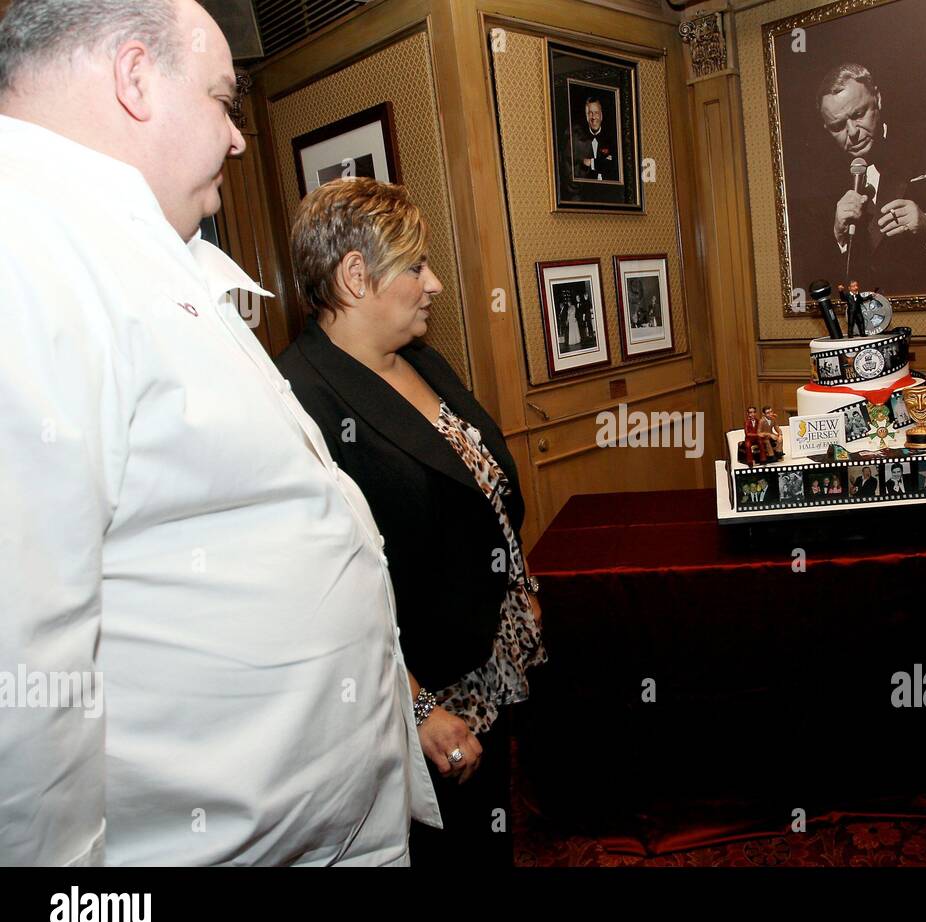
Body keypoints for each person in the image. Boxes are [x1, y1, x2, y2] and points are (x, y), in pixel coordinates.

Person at [0, 0, 436, 865]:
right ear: (134, 77)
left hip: (321, 820)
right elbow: (23, 683)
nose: (239, 138)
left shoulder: (142, 244)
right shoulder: (28, 250)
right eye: (223, 100)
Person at [274, 177, 547, 868]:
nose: (435, 284)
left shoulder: (420, 356)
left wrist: (517, 583)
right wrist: (418, 707)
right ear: (356, 276)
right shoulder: (297, 400)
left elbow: (477, 486)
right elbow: (323, 594)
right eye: (416, 266)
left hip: (489, 658)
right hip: (421, 699)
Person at [804, 63, 926, 292]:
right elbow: (815, 280)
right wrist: (838, 236)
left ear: (878, 99)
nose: (852, 132)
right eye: (837, 126)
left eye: (858, 115)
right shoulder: (819, 180)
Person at [572, 94, 617, 181]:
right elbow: (577, 168)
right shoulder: (578, 140)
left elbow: (613, 165)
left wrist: (591, 162)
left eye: (596, 113)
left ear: (601, 116)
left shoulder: (612, 138)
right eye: (590, 113)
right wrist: (603, 162)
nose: (593, 117)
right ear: (586, 116)